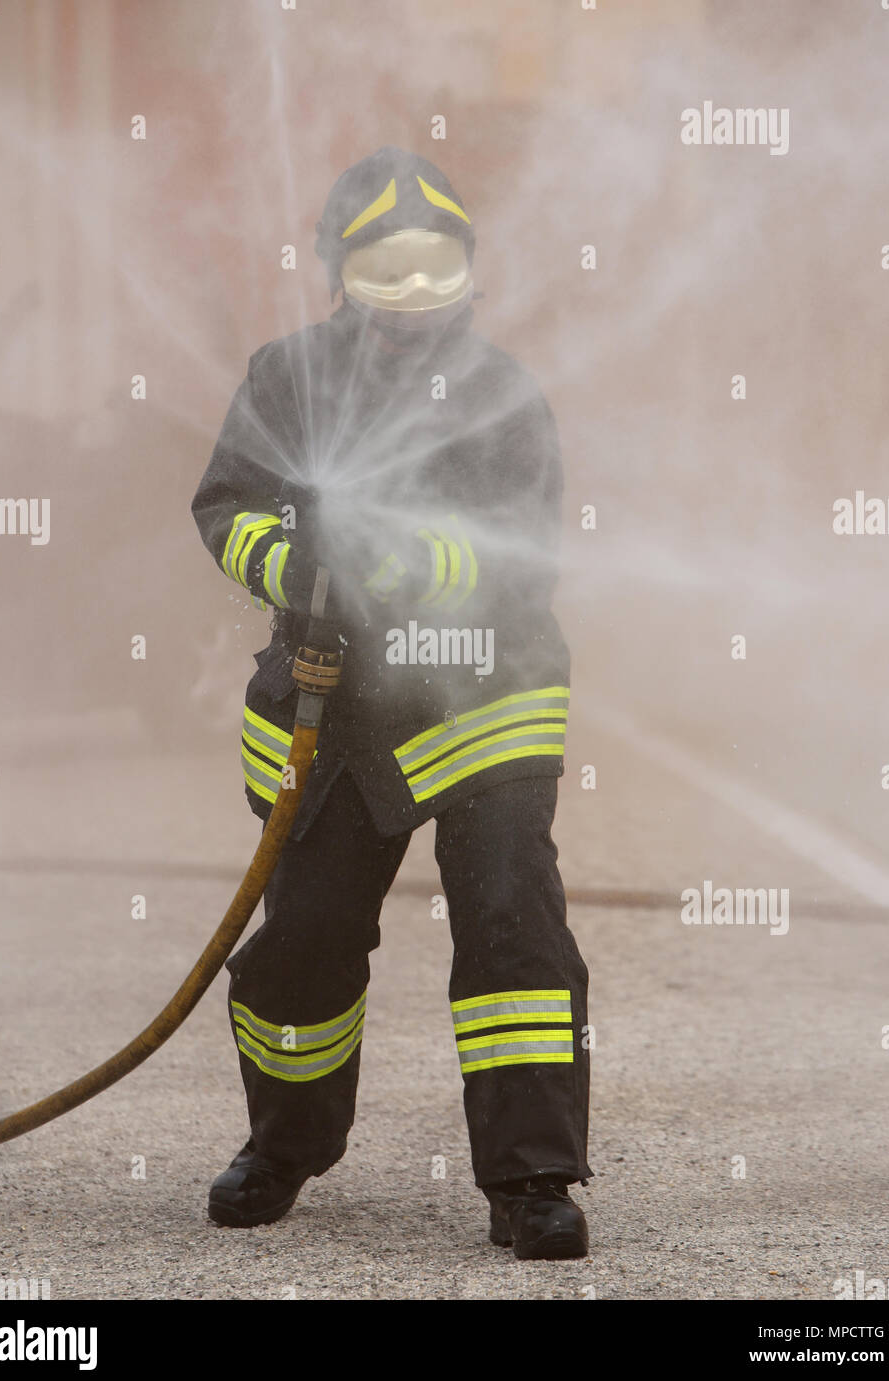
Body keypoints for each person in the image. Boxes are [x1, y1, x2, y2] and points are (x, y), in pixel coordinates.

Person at [191, 146, 592, 1259]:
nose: (415, 289)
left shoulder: (502, 394)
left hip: (480, 705)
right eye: (385, 265)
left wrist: (393, 568)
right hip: (332, 721)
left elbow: (520, 561)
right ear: (337, 270)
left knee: (513, 934)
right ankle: (284, 1146)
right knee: (304, 945)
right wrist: (293, 563)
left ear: (469, 270)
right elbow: (227, 506)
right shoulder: (285, 376)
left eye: (437, 264)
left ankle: (533, 1180)